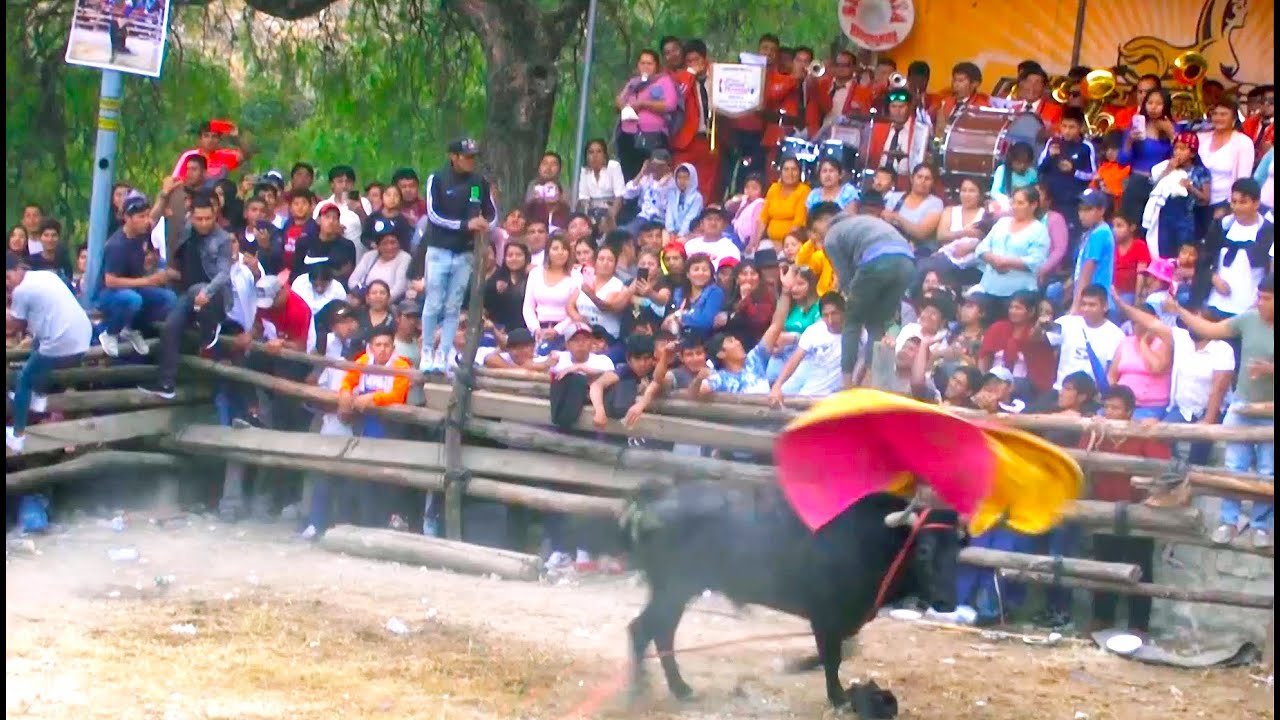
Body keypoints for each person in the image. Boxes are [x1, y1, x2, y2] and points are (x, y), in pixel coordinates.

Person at [1164, 275, 1274, 548]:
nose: (1260, 303)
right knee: (1234, 467)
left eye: (1267, 298)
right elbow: (1211, 330)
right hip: (1242, 405)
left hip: (1272, 411)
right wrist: (1180, 311)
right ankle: (1230, 520)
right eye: (1259, 296)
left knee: (1267, 471)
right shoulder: (1248, 320)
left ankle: (1262, 525)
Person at [1081, 385, 1167, 632]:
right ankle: (1102, 619)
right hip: (1103, 510)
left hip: (1139, 512)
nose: (1109, 412)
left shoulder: (1142, 434)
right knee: (1103, 565)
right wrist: (1093, 428)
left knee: (1141, 568)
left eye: (1115, 408)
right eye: (1106, 407)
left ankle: (1139, 626)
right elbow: (1082, 454)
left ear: (1129, 412)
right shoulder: (1097, 433)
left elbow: (1161, 464)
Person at [415, 137, 497, 372]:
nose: (471, 161)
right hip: (440, 249)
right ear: (454, 157)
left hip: (465, 254)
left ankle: (443, 354)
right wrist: (464, 225)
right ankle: (428, 351)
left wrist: (485, 223)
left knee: (453, 306)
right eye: (467, 157)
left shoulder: (478, 183)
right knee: (433, 302)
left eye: (474, 157)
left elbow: (491, 214)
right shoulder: (437, 180)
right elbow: (433, 214)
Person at [141, 195, 234, 399]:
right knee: (169, 327)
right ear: (192, 217)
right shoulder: (186, 231)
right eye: (199, 219)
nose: (203, 223)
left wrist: (207, 292)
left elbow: (224, 273)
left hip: (214, 296)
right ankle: (166, 384)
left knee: (197, 290)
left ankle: (211, 328)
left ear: (215, 216)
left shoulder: (223, 239)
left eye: (208, 218)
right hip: (189, 293)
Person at [5, 255, 93, 453]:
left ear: (19, 269)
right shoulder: (45, 275)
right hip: (82, 336)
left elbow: (16, 325)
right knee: (37, 344)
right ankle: (37, 397)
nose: (7, 283)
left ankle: (17, 436)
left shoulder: (22, 292)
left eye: (8, 277)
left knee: (23, 379)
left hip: (62, 342)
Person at [822, 211, 915, 385]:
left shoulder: (831, 237)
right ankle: (872, 379)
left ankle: (847, 383)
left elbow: (845, 277)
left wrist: (852, 299)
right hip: (907, 263)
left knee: (852, 320)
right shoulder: (867, 222)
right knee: (877, 322)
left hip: (877, 260)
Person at [95, 194, 177, 357]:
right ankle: (110, 333)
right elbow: (110, 281)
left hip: (135, 288)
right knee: (133, 299)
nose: (146, 220)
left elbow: (154, 214)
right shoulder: (116, 245)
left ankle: (133, 328)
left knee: (169, 299)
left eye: (146, 216)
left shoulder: (141, 232)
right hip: (109, 293)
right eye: (141, 217)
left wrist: (163, 195)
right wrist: (148, 281)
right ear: (127, 218)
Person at [1047, 284, 1126, 396]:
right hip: (1060, 391)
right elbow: (1043, 340)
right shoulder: (1065, 323)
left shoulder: (1117, 335)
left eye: (1092, 305)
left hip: (1091, 396)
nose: (1086, 309)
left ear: (1105, 307)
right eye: (1083, 304)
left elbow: (1111, 373)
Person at [1143, 132, 1211, 259]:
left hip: (1186, 217)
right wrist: (1169, 169)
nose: (1177, 152)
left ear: (1192, 153)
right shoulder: (1166, 166)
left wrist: (1191, 188)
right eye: (1176, 148)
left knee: (1183, 251)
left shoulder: (1200, 172)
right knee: (1164, 251)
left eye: (1183, 149)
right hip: (1165, 215)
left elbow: (1206, 199)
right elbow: (1154, 188)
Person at [614, 49, 680, 179]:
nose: (645, 66)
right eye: (642, 63)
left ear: (656, 66)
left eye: (649, 63)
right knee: (630, 177)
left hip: (653, 137)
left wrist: (643, 104)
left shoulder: (663, 81)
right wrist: (625, 106)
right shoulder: (633, 82)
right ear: (638, 65)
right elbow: (619, 100)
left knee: (651, 176)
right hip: (629, 136)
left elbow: (670, 105)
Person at [1070, 190, 1116, 314]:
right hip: (1088, 301)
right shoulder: (1090, 233)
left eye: (1088, 210)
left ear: (1101, 210)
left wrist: (1076, 306)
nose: (1082, 214)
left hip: (1095, 303)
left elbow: (1087, 270)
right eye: (1081, 210)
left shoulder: (1100, 234)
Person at [751, 157, 810, 254]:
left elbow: (798, 223)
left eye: (794, 169)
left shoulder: (804, 190)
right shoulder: (774, 188)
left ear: (799, 172)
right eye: (786, 169)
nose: (790, 173)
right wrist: (755, 242)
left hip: (791, 244)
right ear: (781, 172)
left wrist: (784, 244)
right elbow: (763, 218)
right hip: (770, 241)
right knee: (753, 255)